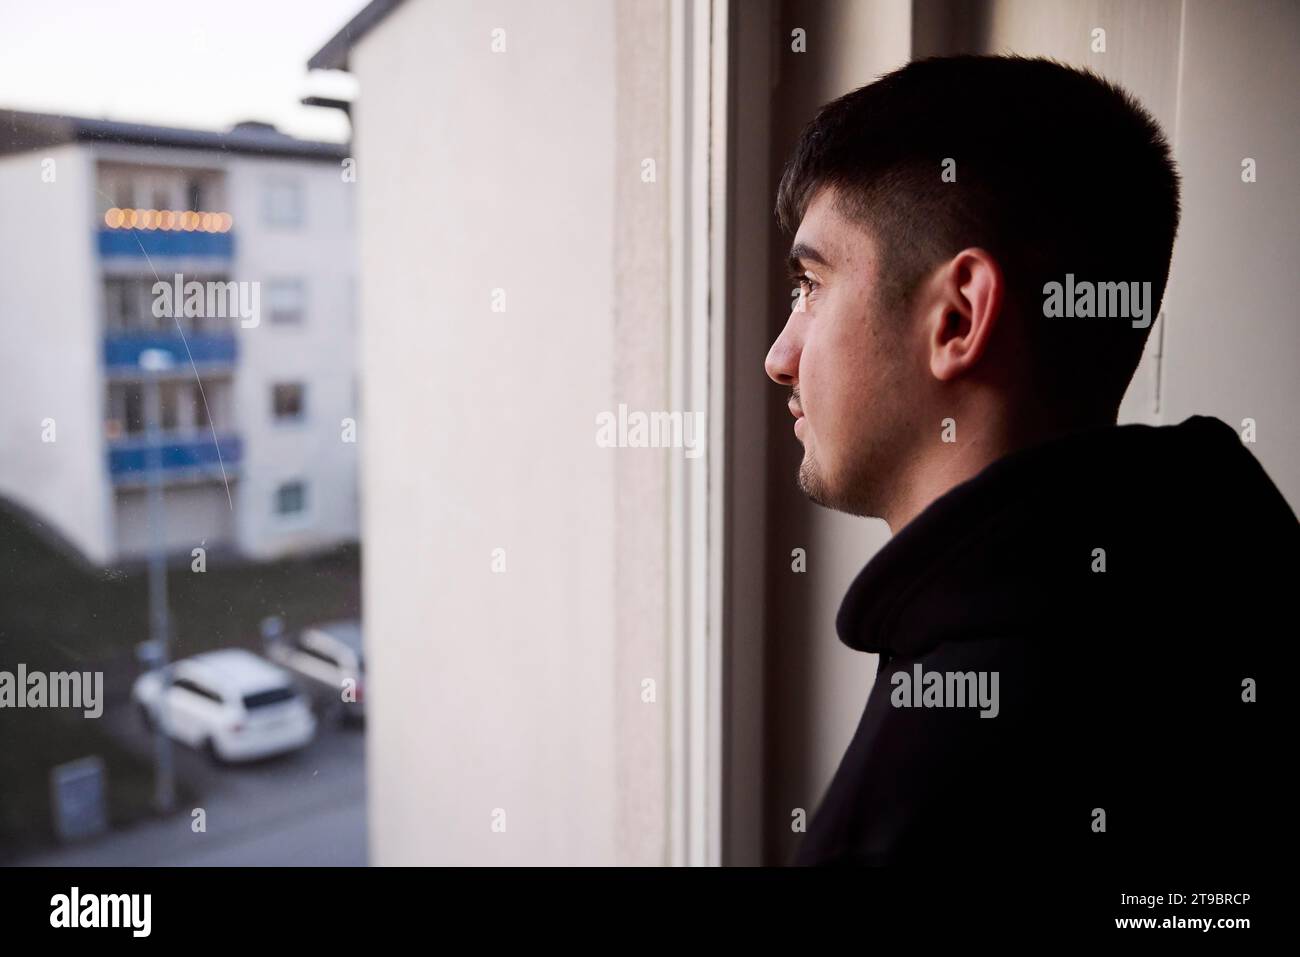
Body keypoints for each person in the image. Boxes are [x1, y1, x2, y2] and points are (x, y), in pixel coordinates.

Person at [765, 55, 1295, 865]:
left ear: (958, 317)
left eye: (811, 283)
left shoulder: (942, 769)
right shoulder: (1238, 601)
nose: (779, 354)